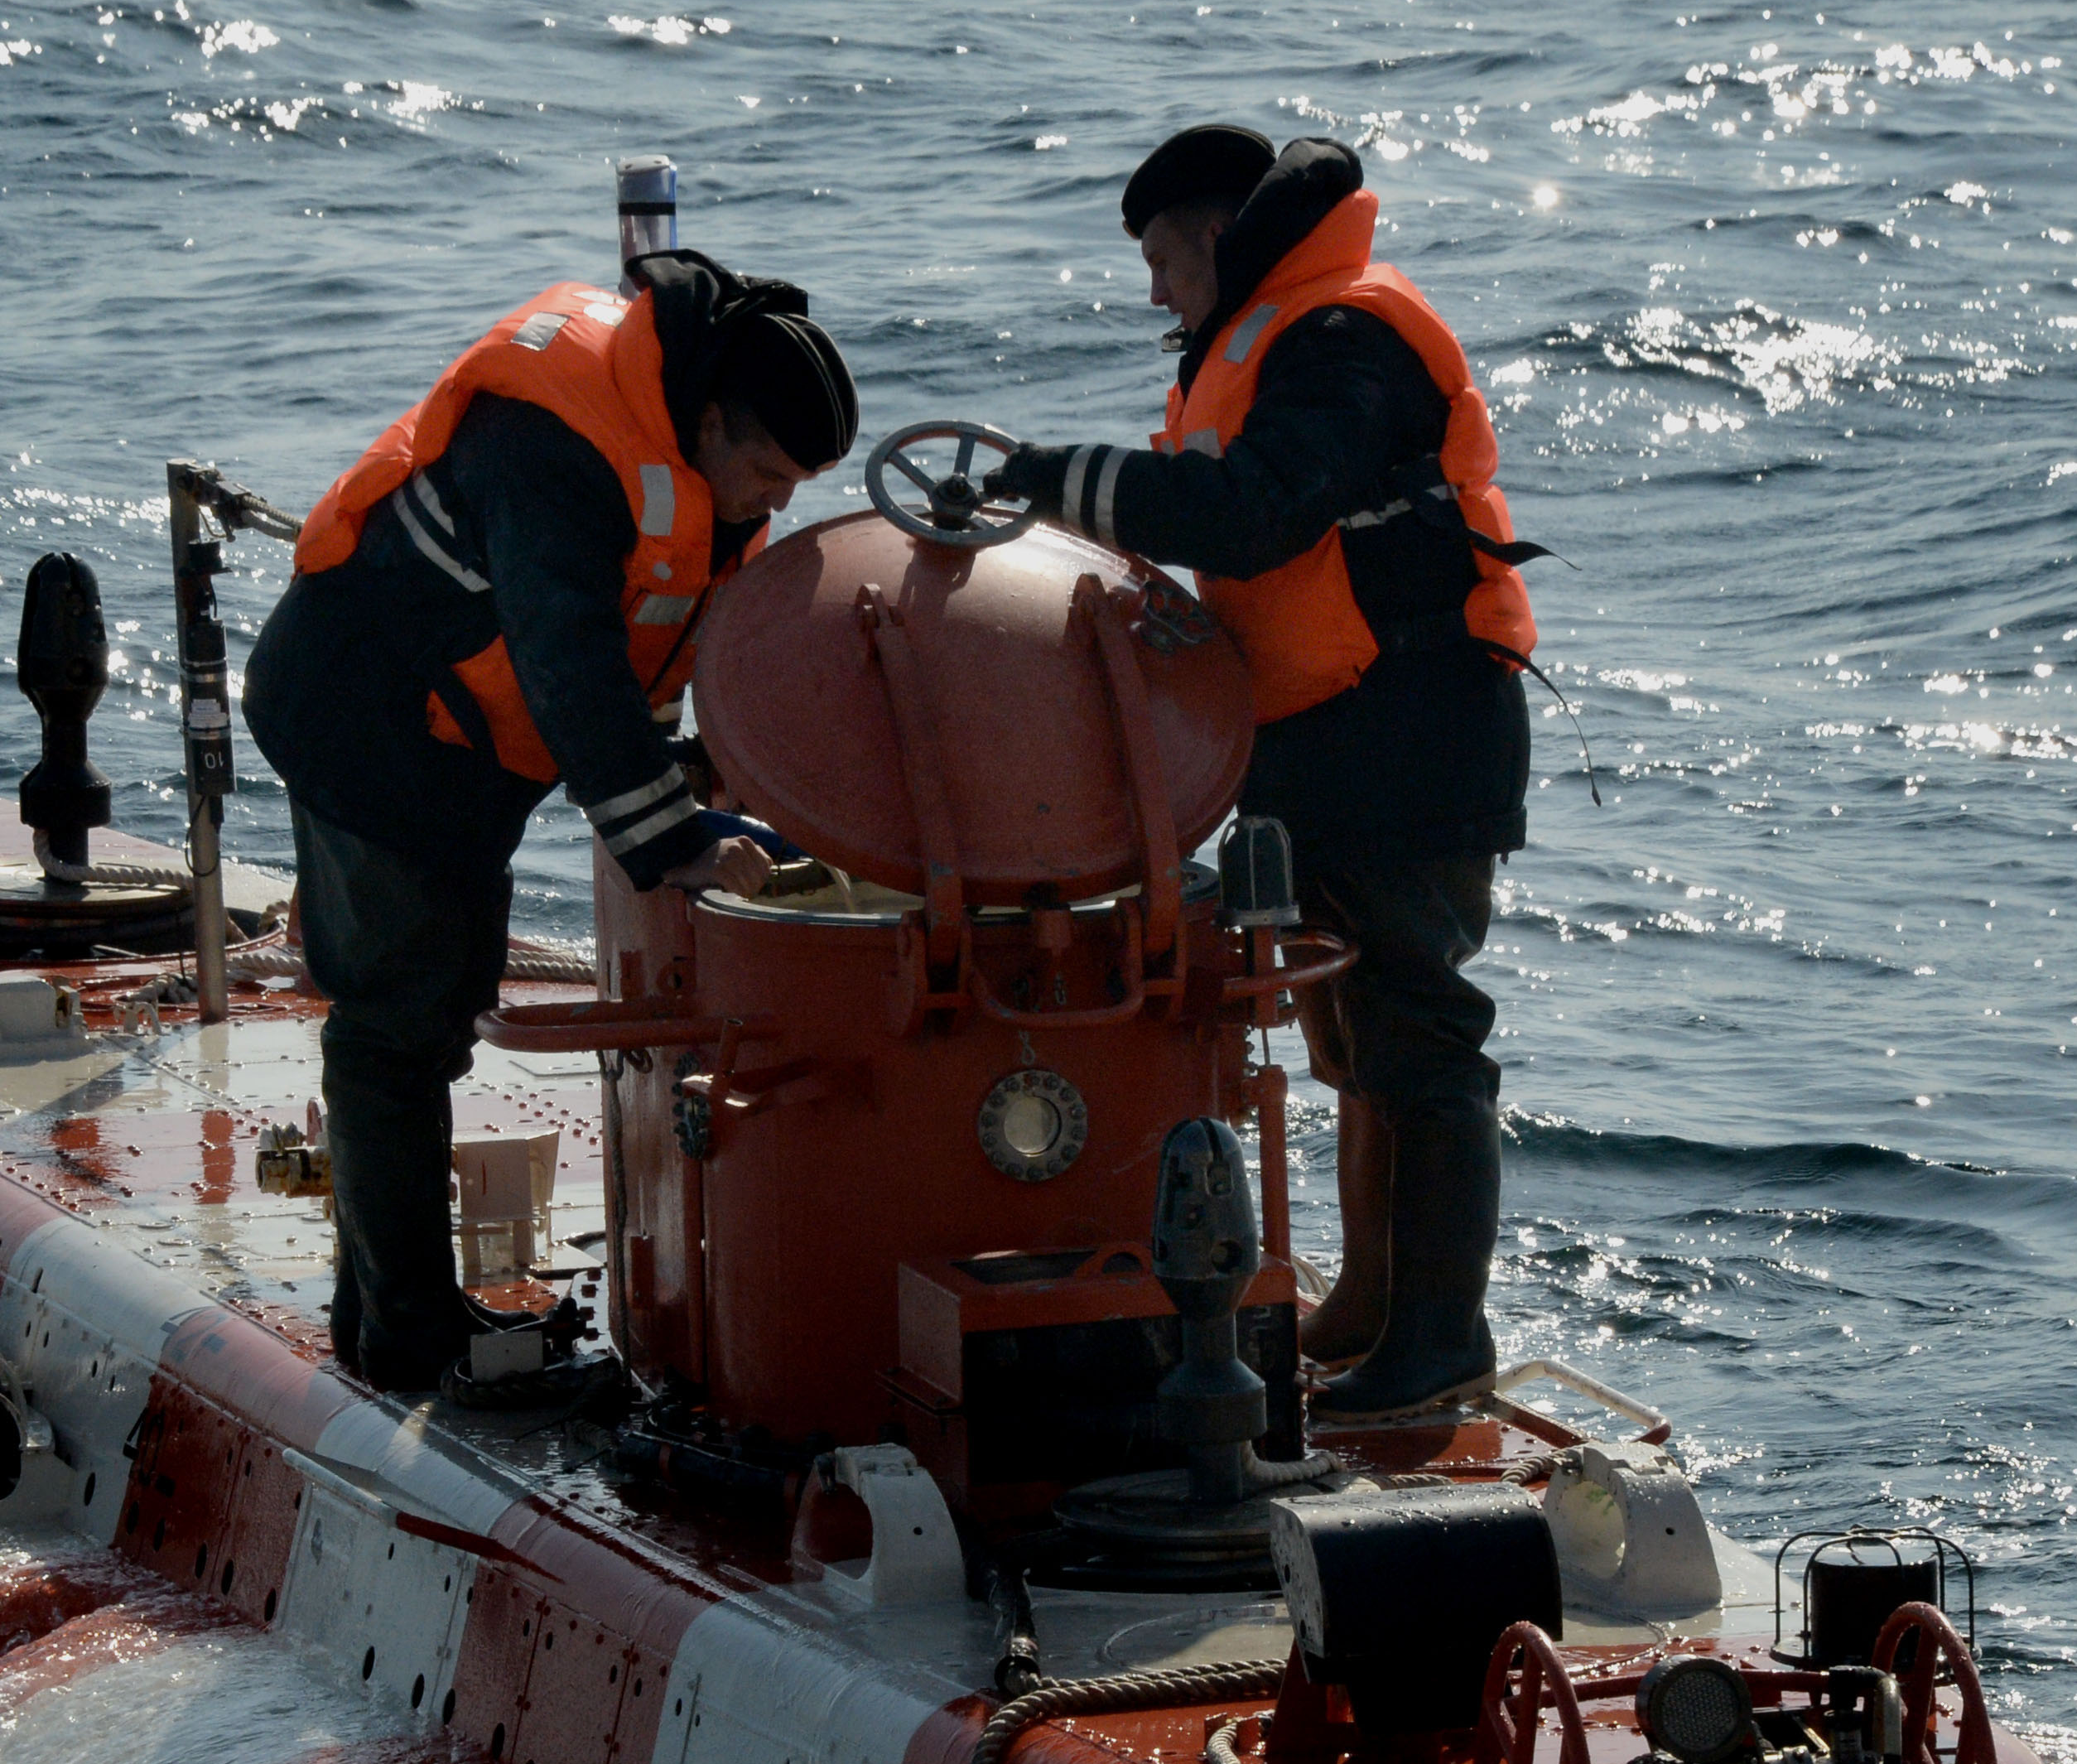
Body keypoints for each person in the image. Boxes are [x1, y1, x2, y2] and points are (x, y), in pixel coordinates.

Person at [985, 126, 1540, 1425]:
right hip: (1315, 734)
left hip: (1412, 725)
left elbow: (1250, 509)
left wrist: (1063, 481)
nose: (1155, 292)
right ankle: (1372, 1307)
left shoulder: (1341, 337)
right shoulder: (1263, 341)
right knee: (1347, 1034)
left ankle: (1440, 1340)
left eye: (1166, 258)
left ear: (1225, 238)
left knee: (1417, 1033)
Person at [244, 251, 855, 1395]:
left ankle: (379, 1313)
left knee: (438, 1001)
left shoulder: (694, 457)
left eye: (795, 488)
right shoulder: (552, 455)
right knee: (396, 1024)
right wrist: (674, 840)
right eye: (766, 474)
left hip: (460, 747)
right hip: (364, 724)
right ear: (710, 421)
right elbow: (569, 662)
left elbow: (663, 636)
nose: (775, 504)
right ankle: (413, 1344)